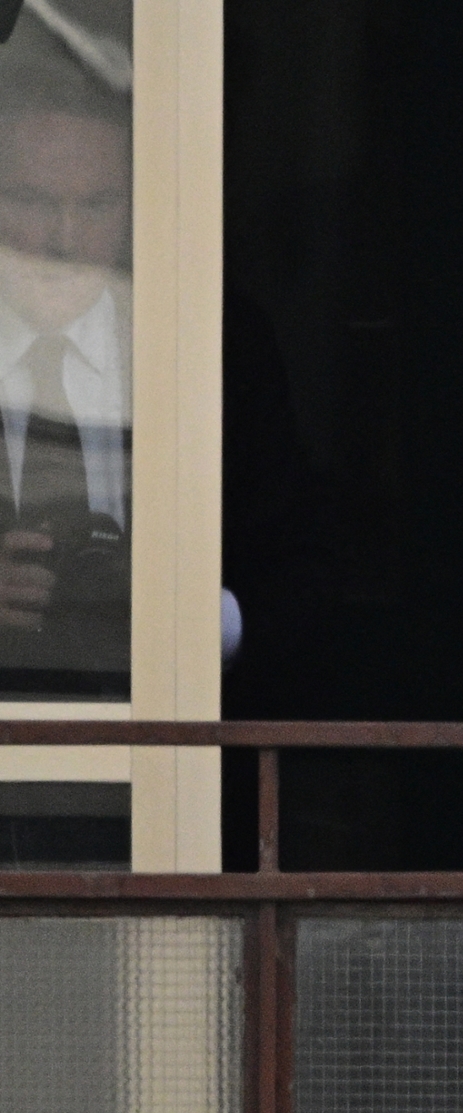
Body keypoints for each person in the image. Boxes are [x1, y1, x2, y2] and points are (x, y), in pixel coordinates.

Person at [0, 52, 131, 696]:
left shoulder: (216, 341)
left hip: (166, 752)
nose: (65, 238)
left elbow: (294, 566)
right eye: (31, 200)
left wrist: (193, 613)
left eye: (99, 205)